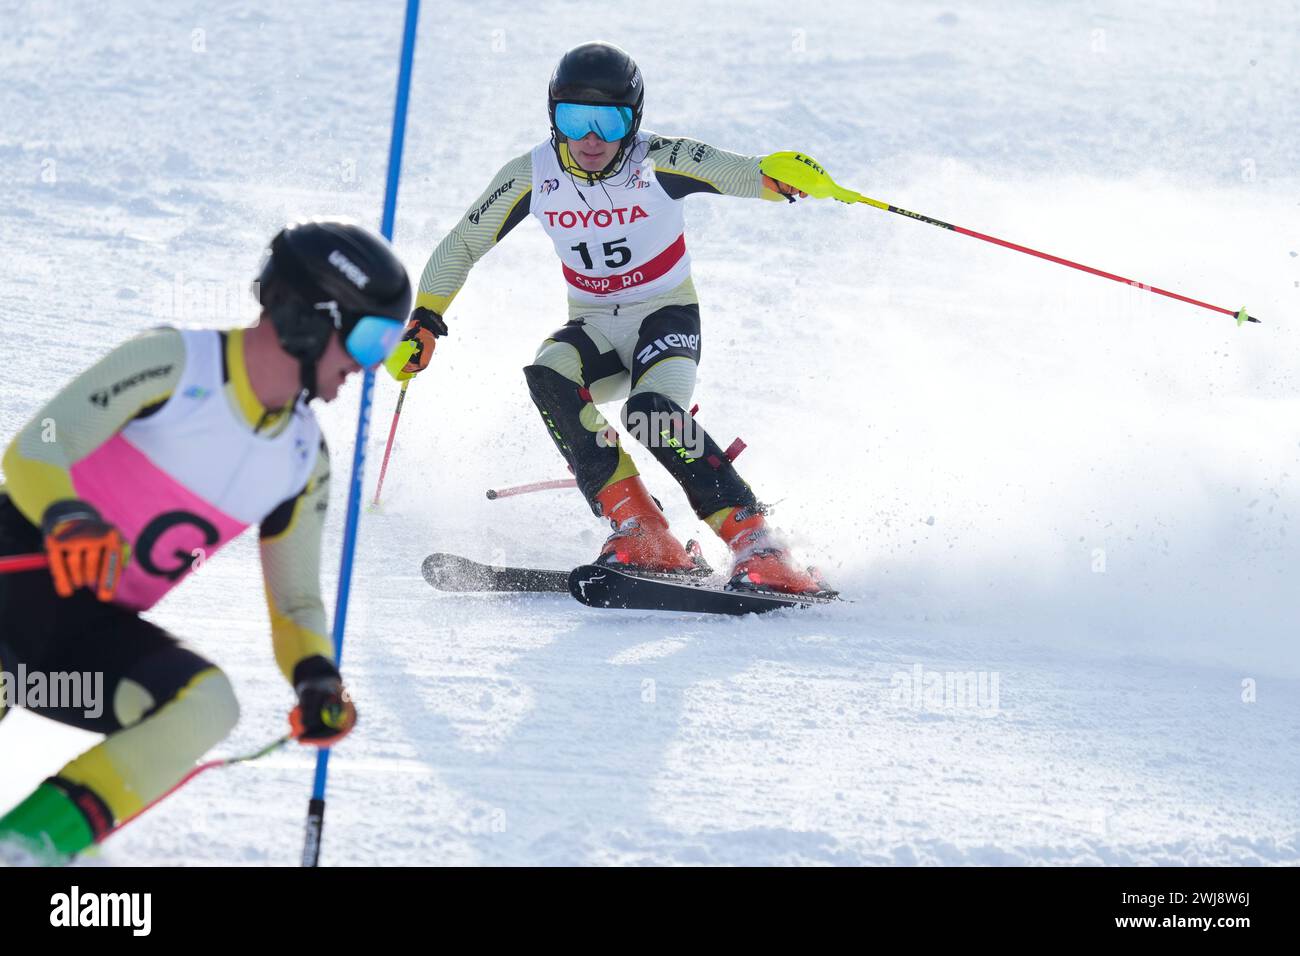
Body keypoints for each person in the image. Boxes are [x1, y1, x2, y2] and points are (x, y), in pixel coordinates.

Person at [0, 220, 411, 864]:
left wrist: (317, 680)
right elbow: (33, 451)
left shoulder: (303, 459)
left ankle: (28, 848)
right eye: (370, 337)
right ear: (306, 317)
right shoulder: (173, 363)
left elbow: (297, 601)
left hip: (81, 641)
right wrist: (69, 517)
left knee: (206, 705)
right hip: (13, 576)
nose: (371, 364)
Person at [392, 40, 831, 596]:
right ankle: (641, 529)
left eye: (609, 119)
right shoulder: (532, 174)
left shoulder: (659, 158)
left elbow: (745, 174)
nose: (592, 137)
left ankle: (759, 543)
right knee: (548, 373)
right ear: (555, 118)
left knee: (649, 412)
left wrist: (784, 176)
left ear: (634, 120)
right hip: (596, 323)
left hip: (664, 317)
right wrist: (425, 320)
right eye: (575, 118)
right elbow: (461, 245)